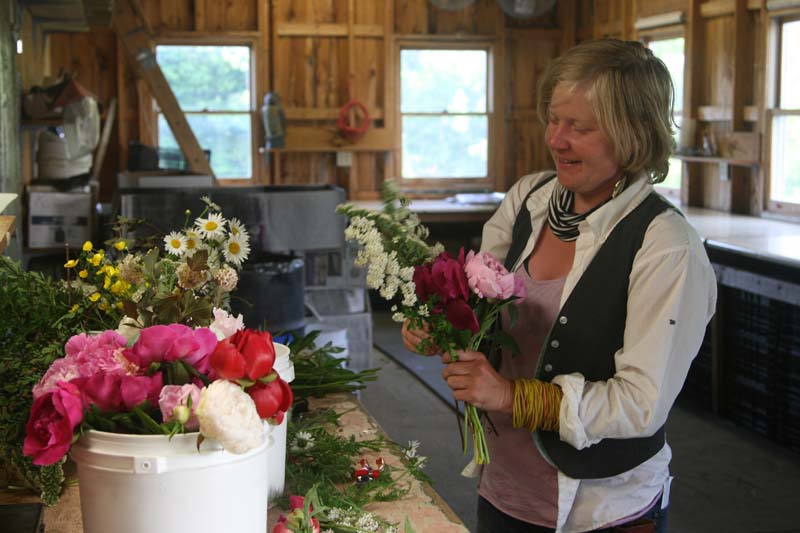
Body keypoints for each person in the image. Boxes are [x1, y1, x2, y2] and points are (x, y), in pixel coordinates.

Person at [402, 39, 717, 533]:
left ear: (633, 134)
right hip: (505, 485)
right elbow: (475, 302)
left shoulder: (665, 245)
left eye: (581, 127)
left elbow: (639, 405)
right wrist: (439, 325)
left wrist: (513, 397)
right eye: (553, 118)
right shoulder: (530, 197)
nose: (557, 139)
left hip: (597, 508)